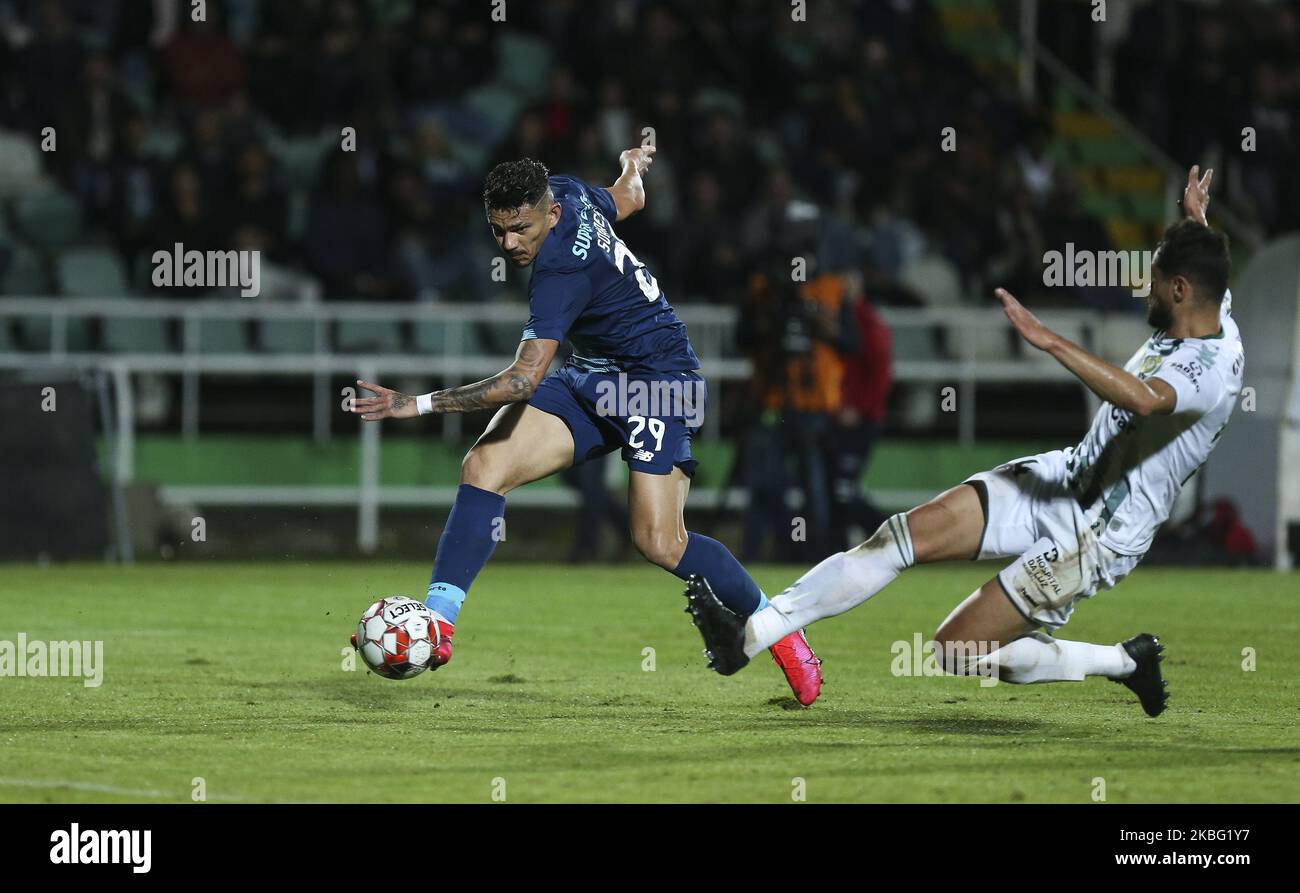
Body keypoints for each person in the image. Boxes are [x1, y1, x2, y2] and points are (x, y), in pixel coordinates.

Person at [684, 167, 1240, 717]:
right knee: (896, 539)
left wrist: (1051, 342)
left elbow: (1143, 399)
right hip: (1062, 477)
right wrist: (1197, 220)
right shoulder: (1213, 308)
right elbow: (1206, 272)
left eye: (1156, 279)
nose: (1146, 287)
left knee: (955, 651)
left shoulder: (1208, 370)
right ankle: (750, 636)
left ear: (1182, 290)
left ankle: (1122, 662)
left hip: (1096, 534)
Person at [348, 151, 824, 705]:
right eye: (498, 231)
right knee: (485, 464)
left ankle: (783, 629)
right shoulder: (570, 193)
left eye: (519, 229)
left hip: (656, 382)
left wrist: (420, 404)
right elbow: (630, 198)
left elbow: (523, 381)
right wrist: (633, 165)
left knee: (659, 541)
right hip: (594, 375)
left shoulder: (558, 272)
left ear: (549, 214)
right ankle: (441, 624)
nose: (509, 245)